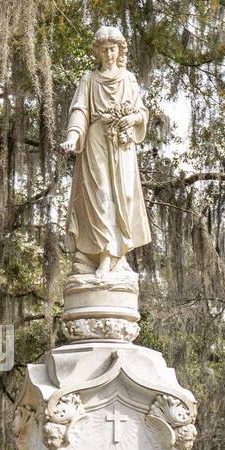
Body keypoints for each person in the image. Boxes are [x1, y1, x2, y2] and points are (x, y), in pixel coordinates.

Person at [59, 25, 151, 276]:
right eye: (104, 49)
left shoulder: (128, 79)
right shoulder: (89, 80)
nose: (109, 54)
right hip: (97, 140)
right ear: (97, 52)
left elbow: (142, 112)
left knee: (125, 196)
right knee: (101, 196)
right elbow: (80, 111)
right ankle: (105, 254)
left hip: (122, 143)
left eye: (113, 49)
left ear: (120, 50)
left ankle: (119, 256)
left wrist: (132, 119)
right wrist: (72, 136)